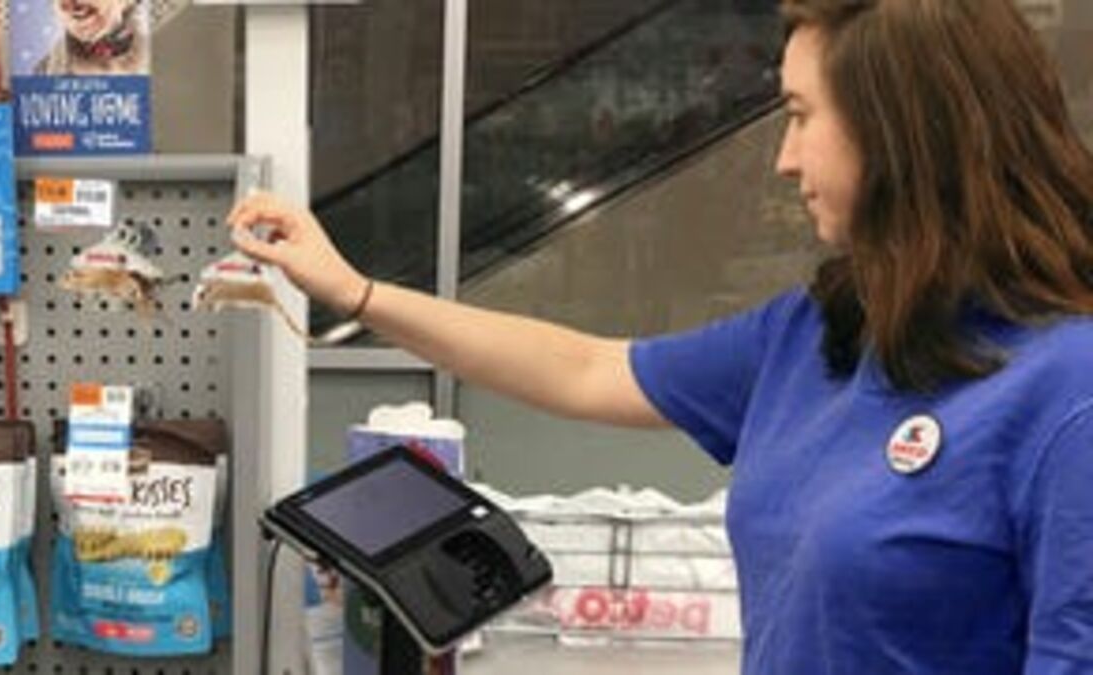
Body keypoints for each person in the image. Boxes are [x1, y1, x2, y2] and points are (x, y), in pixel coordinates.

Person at [227, 0, 1093, 672]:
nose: (784, 159)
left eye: (799, 115)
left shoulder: (1066, 390)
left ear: (906, 135)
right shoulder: (824, 333)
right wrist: (357, 291)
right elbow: (586, 368)